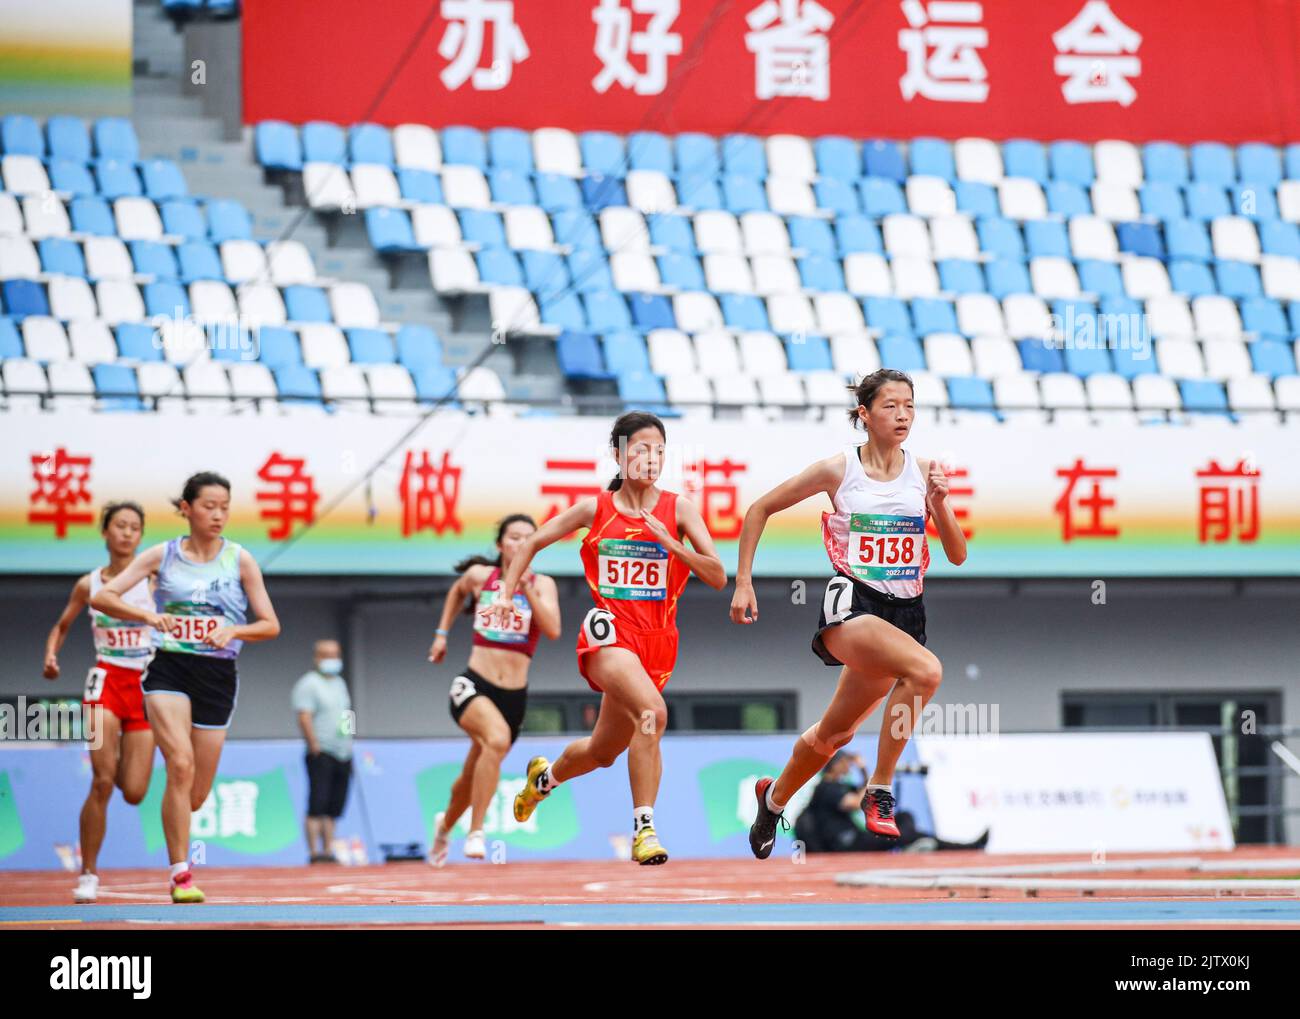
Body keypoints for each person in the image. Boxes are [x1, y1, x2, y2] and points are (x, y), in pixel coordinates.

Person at [731, 369, 968, 859]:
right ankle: (879, 789)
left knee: (834, 734)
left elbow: (959, 554)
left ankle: (772, 802)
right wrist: (744, 581)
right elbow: (758, 509)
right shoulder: (838, 469)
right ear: (864, 414)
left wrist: (940, 506)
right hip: (852, 606)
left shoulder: (924, 472)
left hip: (905, 615)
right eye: (890, 406)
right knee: (927, 671)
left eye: (909, 405)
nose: (902, 415)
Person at [494, 412, 726, 865]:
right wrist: (505, 594)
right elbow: (529, 544)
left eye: (659, 450)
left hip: (658, 642)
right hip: (608, 634)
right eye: (640, 449)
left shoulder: (678, 509)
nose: (651, 458)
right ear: (618, 454)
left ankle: (542, 781)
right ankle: (644, 829)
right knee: (652, 713)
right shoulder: (595, 510)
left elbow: (717, 574)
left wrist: (673, 544)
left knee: (602, 752)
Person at [91, 471, 280, 903]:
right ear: (186, 509)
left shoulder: (240, 560)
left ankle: (176, 805)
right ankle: (181, 876)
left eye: (225, 508)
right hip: (169, 669)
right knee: (179, 763)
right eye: (209, 506)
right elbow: (103, 597)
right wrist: (150, 617)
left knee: (194, 794)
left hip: (217, 676)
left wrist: (233, 632)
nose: (218, 515)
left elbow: (271, 625)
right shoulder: (163, 555)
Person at [425, 514, 561, 866]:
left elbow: (553, 629)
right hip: (472, 683)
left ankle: (445, 826)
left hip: (513, 697)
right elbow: (456, 593)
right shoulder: (480, 578)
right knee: (497, 740)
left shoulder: (543, 584)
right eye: (514, 537)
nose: (520, 544)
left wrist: (526, 587)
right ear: (500, 544)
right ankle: (476, 830)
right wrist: (441, 635)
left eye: (529, 539)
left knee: (472, 775)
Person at [43, 501, 156, 904]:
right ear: (105, 532)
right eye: (120, 526)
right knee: (102, 780)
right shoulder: (87, 584)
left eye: (134, 527)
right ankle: (88, 873)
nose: (127, 533)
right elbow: (61, 626)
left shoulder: (155, 580)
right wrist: (51, 654)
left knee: (135, 791)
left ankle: (124, 748)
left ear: (141, 536)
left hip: (144, 685)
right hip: (105, 681)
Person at [794, 751, 988, 853]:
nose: (848, 765)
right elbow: (855, 802)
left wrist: (863, 770)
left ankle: (913, 842)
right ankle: (961, 847)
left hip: (857, 837)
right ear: (835, 765)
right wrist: (875, 780)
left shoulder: (840, 785)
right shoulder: (826, 788)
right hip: (848, 843)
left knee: (904, 818)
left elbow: (862, 790)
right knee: (908, 832)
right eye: (845, 762)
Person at [291, 639, 354, 864]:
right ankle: (314, 852)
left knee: (334, 804)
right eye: (327, 655)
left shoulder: (340, 683)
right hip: (321, 750)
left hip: (342, 752)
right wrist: (314, 744)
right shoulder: (309, 684)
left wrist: (350, 739)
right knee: (317, 801)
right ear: (317, 658)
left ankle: (328, 849)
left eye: (335, 654)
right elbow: (304, 715)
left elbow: (347, 713)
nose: (332, 659)